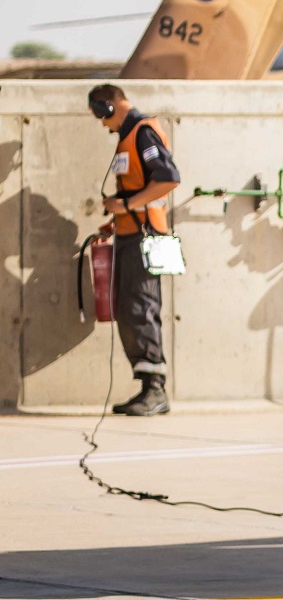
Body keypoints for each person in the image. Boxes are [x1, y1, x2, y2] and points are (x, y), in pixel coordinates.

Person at [87, 84, 180, 417]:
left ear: (108, 105)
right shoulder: (127, 137)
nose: (102, 124)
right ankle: (146, 386)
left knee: (141, 307)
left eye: (100, 115)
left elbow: (168, 178)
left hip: (145, 237)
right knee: (129, 309)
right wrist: (115, 221)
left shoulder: (142, 131)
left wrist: (123, 205)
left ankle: (156, 391)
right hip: (129, 234)